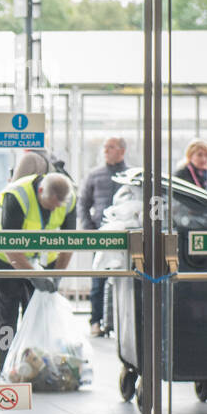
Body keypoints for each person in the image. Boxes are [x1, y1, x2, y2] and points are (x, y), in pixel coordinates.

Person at [0, 171, 77, 372]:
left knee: (37, 318)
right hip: (7, 263)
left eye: (57, 206)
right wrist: (33, 275)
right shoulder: (17, 195)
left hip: (43, 263)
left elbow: (69, 241)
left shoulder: (69, 200)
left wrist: (57, 275)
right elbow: (9, 244)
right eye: (49, 204)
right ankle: (6, 365)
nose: (54, 209)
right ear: (41, 191)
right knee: (7, 318)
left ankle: (34, 368)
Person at [77, 137, 127, 336]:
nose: (106, 150)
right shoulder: (94, 175)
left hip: (123, 239)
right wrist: (89, 230)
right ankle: (95, 321)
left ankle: (117, 324)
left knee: (123, 281)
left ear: (122, 151)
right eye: (104, 147)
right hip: (100, 235)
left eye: (111, 147)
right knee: (98, 281)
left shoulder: (129, 175)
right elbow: (83, 204)